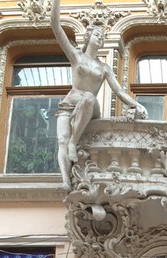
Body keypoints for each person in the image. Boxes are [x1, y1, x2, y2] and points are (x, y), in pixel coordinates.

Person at [51, 0, 147, 191]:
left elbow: (119, 91)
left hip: (90, 107)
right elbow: (55, 26)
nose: (100, 39)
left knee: (88, 97)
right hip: (69, 104)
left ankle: (73, 143)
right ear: (88, 38)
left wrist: (136, 104)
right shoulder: (76, 56)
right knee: (61, 140)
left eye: (102, 37)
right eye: (97, 35)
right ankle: (66, 181)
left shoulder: (104, 68)